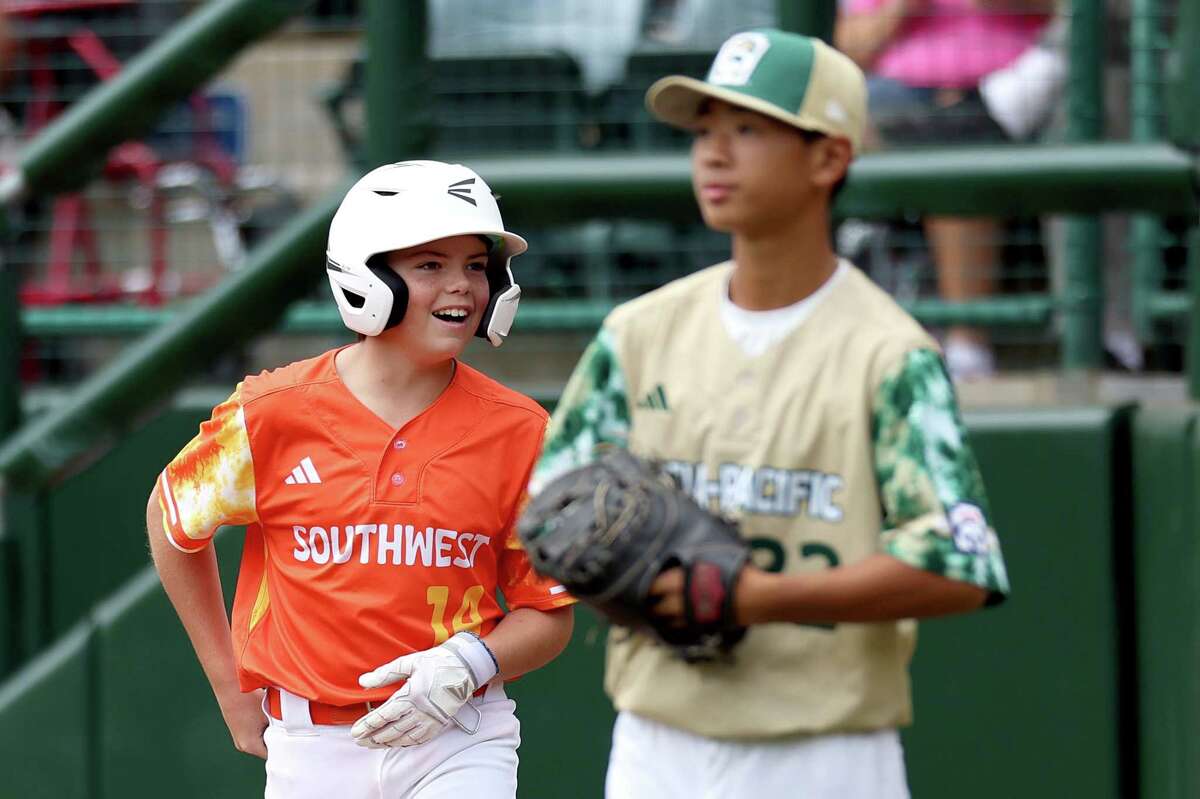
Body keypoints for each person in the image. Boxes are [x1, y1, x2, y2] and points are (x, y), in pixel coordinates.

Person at [529, 29, 1010, 798]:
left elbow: (961, 563)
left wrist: (761, 597)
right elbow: (546, 507)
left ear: (828, 158)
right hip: (657, 738)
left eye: (748, 130)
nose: (714, 154)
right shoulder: (638, 332)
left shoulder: (890, 353)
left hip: (824, 747)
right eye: (704, 132)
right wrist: (618, 581)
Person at [146, 160, 576, 799]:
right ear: (366, 276)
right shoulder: (272, 413)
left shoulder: (522, 430)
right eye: (430, 265)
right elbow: (172, 520)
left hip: (461, 734)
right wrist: (227, 681)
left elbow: (550, 612)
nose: (461, 286)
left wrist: (470, 662)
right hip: (309, 743)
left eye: (476, 266)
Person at [836, 0, 1056, 380]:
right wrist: (902, 9)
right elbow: (848, 49)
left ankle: (967, 350)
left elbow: (1058, 12)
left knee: (957, 138)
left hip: (1007, 95)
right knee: (843, 124)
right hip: (897, 97)